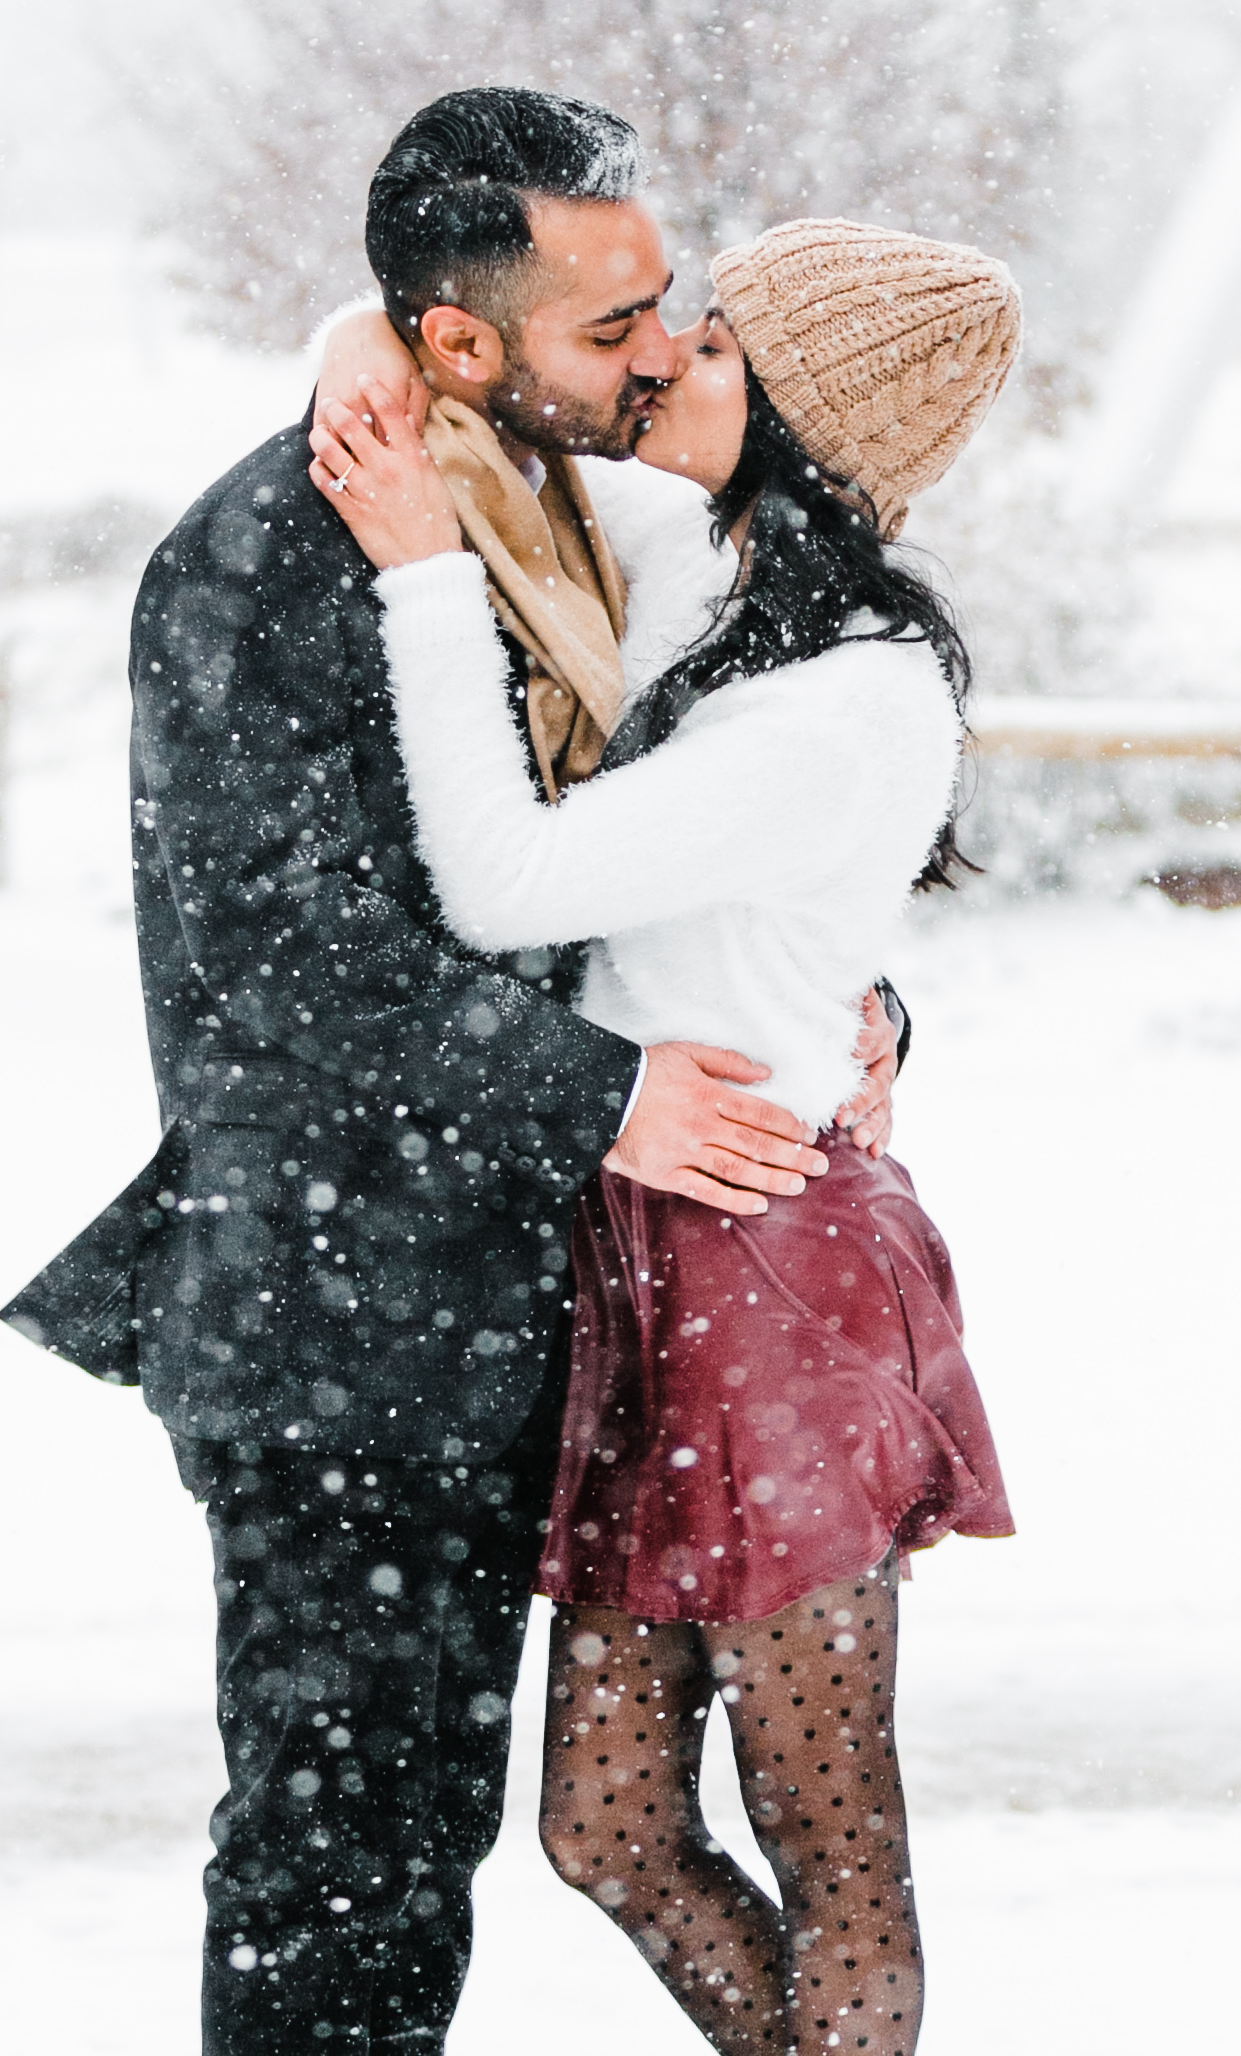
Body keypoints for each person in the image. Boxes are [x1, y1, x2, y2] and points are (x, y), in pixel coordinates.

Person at [0, 92, 902, 2056]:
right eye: (612, 323)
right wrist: (604, 1095)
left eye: (662, 304)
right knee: (338, 1855)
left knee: (431, 1847)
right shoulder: (275, 554)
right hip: (341, 1316)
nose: (655, 351)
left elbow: (663, 836)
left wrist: (843, 996)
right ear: (463, 341)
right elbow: (283, 951)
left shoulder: (548, 515)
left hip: (510, 1306)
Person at [306, 216, 1019, 2056]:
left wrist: (421, 577)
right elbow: (389, 342)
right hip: (648, 1251)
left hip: (771, 1265)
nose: (658, 364)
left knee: (828, 1837)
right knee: (605, 1828)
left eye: (707, 349)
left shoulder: (840, 697)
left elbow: (506, 877)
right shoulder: (714, 572)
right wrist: (385, 346)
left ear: (798, 422)